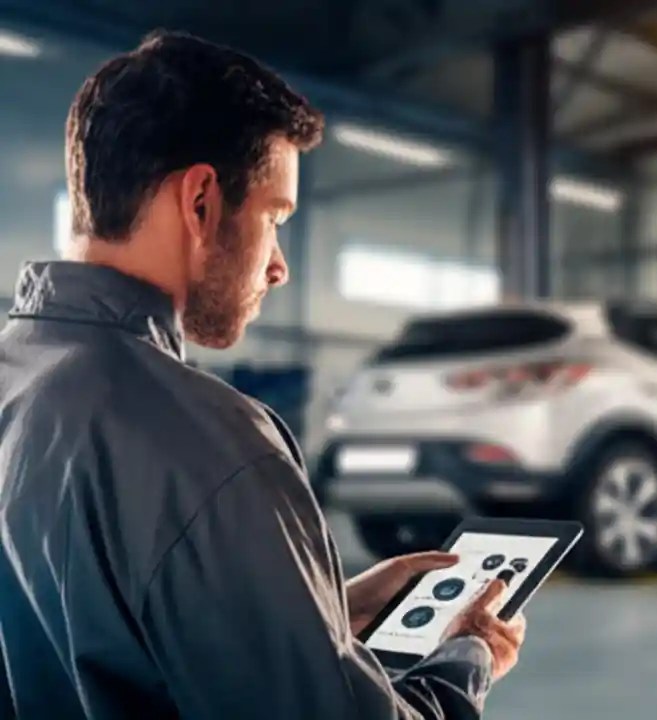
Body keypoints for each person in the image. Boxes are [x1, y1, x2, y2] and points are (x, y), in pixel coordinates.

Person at [0, 31, 525, 719]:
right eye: (274, 219)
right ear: (200, 203)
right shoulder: (216, 449)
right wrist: (464, 660)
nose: (279, 267)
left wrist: (319, 611)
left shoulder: (17, 379)